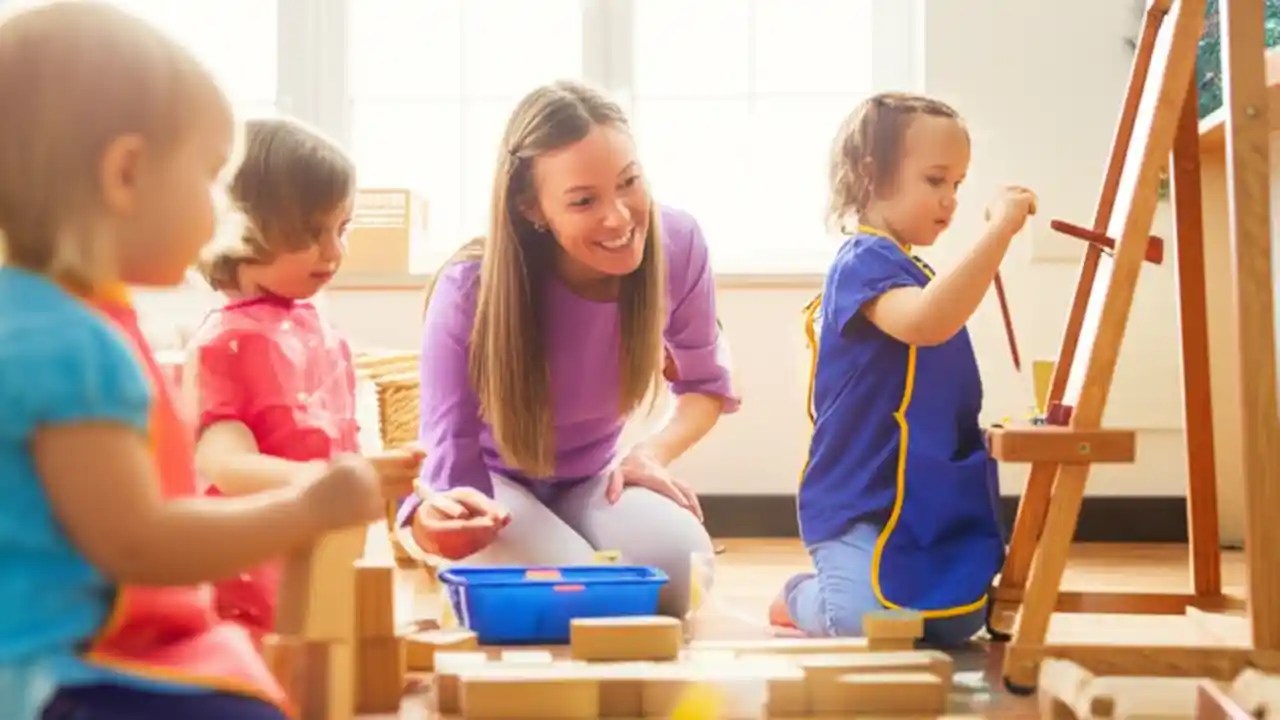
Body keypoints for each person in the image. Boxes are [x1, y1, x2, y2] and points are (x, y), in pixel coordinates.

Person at [0, 3, 385, 718]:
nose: (221, 214)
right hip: (60, 680)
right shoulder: (70, 347)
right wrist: (302, 507)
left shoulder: (34, 318)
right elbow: (140, 543)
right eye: (210, 179)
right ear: (126, 175)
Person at [396, 80, 738, 616]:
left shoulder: (678, 243)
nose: (620, 218)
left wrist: (648, 453)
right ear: (533, 208)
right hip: (494, 484)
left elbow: (705, 385)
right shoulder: (469, 289)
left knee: (682, 571)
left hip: (593, 476)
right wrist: (437, 520)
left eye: (629, 183)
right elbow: (447, 459)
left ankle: (567, 553)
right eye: (584, 201)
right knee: (577, 596)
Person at [189, 117, 507, 638]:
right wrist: (337, 484)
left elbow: (352, 456)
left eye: (340, 229)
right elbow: (225, 465)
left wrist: (428, 498)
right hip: (254, 576)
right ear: (241, 228)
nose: (334, 252)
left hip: (330, 556)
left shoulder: (322, 333)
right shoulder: (226, 340)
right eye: (310, 233)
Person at [771, 92, 1037, 645]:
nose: (951, 200)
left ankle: (890, 592)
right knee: (863, 626)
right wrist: (1000, 232)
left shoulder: (909, 267)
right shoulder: (862, 262)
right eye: (936, 180)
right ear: (871, 175)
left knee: (959, 623)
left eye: (959, 185)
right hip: (859, 502)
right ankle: (801, 597)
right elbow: (926, 321)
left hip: (922, 499)